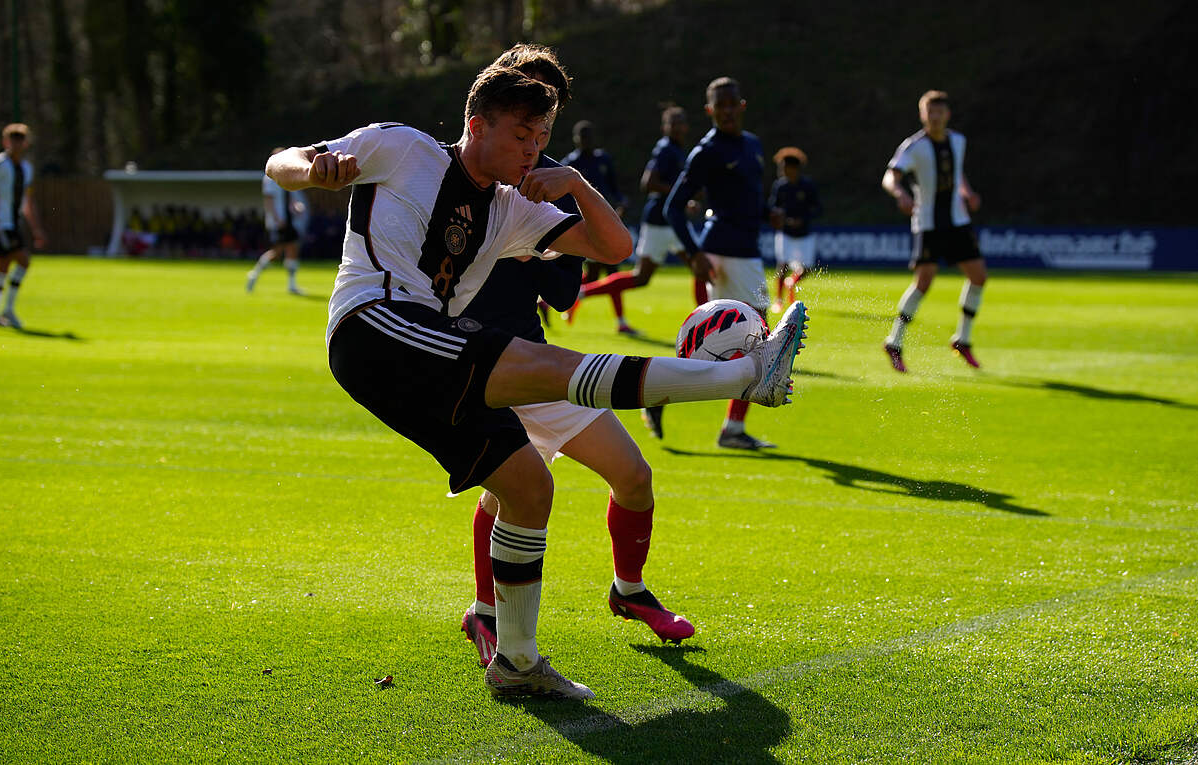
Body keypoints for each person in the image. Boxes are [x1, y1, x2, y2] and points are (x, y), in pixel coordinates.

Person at [267, 63, 808, 701]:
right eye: (522, 136)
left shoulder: (510, 209)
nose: (533, 151)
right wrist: (314, 170)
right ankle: (746, 375)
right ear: (477, 126)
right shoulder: (405, 147)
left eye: (541, 138)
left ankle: (516, 662)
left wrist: (575, 181)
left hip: (432, 356)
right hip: (373, 327)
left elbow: (614, 248)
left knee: (528, 488)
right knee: (552, 371)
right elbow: (282, 162)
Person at [457, 48, 694, 673]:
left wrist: (558, 214)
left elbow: (573, 284)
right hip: (475, 363)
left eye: (544, 124)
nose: (533, 137)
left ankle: (628, 590)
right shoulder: (458, 172)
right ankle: (486, 613)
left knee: (634, 476)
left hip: (536, 360)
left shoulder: (545, 184)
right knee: (508, 496)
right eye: (524, 116)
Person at [662, 76, 779, 451]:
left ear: (742, 105)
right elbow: (672, 207)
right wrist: (694, 253)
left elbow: (748, 198)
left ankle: (659, 395)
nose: (727, 111)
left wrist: (769, 214)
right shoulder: (707, 151)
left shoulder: (753, 145)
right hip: (728, 255)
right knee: (759, 343)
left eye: (733, 104)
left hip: (745, 252)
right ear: (709, 111)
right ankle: (731, 427)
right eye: (720, 105)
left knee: (729, 347)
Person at [881, 89, 984, 372]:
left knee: (978, 277)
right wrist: (900, 193)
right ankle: (894, 342)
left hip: (958, 221)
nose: (935, 117)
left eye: (940, 111)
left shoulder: (958, 141)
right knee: (924, 282)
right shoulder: (914, 146)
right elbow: (890, 176)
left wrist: (967, 193)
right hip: (928, 223)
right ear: (922, 115)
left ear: (947, 115)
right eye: (931, 112)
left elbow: (957, 173)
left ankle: (963, 339)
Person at [574, 106, 692, 346]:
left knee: (696, 267)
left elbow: (615, 187)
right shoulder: (665, 149)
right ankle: (581, 295)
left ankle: (583, 297)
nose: (678, 127)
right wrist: (680, 195)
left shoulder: (678, 150)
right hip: (658, 221)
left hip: (669, 220)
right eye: (673, 123)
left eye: (681, 122)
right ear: (665, 127)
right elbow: (648, 183)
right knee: (636, 275)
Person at [561, 120, 634, 334]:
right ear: (576, 140)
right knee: (610, 270)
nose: (586, 141)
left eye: (588, 137)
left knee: (597, 274)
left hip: (606, 223)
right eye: (582, 138)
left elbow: (613, 188)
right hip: (586, 227)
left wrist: (621, 202)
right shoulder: (570, 164)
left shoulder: (603, 160)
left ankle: (551, 304)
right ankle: (621, 322)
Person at [0, 123, 46, 328]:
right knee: (23, 260)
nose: (17, 144)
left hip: (14, 223)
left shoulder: (26, 168)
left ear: (26, 143)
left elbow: (28, 201)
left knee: (3, 266)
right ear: (6, 142)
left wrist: (36, 228)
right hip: (0, 223)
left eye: (20, 140)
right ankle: (8, 309)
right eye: (13, 140)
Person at [247, 148, 311, 294]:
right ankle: (254, 274)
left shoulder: (287, 175)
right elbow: (268, 201)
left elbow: (291, 197)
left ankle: (292, 285)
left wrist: (296, 207)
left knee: (292, 248)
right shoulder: (269, 178)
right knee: (277, 252)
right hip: (279, 221)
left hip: (288, 219)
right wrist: (276, 219)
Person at [768, 146, 822, 313]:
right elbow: (773, 207)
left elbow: (818, 208)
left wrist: (803, 219)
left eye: (784, 167)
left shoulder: (807, 186)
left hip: (804, 233)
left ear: (794, 168)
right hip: (785, 233)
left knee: (808, 268)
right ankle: (778, 300)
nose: (781, 170)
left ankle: (791, 282)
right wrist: (782, 219)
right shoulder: (780, 186)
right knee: (782, 265)